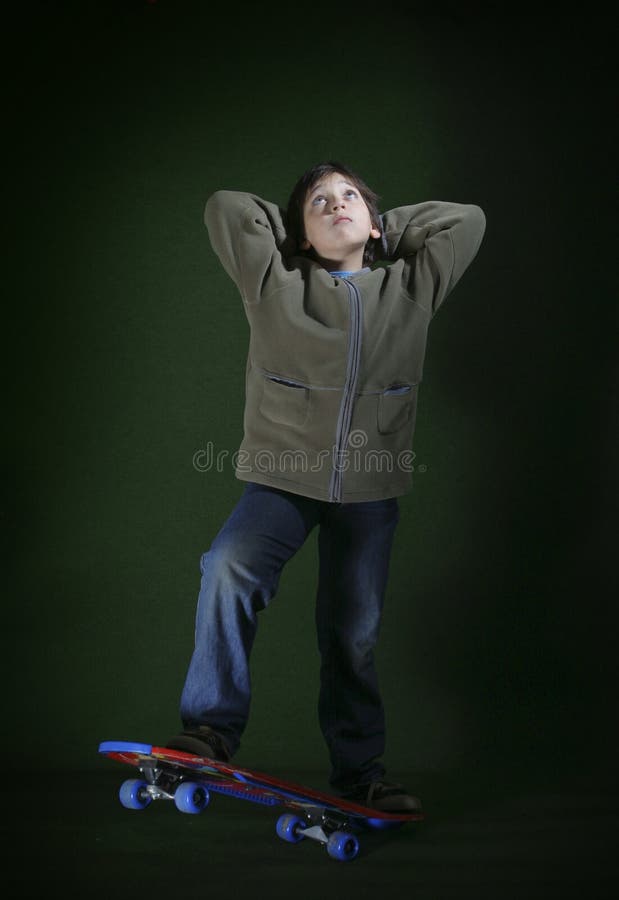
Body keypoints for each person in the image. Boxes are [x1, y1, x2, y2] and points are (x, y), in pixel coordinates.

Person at [167, 161, 486, 812]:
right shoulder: (272, 283)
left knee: (352, 634)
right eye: (319, 202)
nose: (336, 204)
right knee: (228, 566)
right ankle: (208, 730)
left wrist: (380, 229)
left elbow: (466, 219)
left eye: (349, 198)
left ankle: (361, 773)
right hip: (281, 480)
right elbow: (227, 203)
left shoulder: (412, 285)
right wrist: (295, 238)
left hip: (369, 489)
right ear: (300, 234)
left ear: (373, 224)